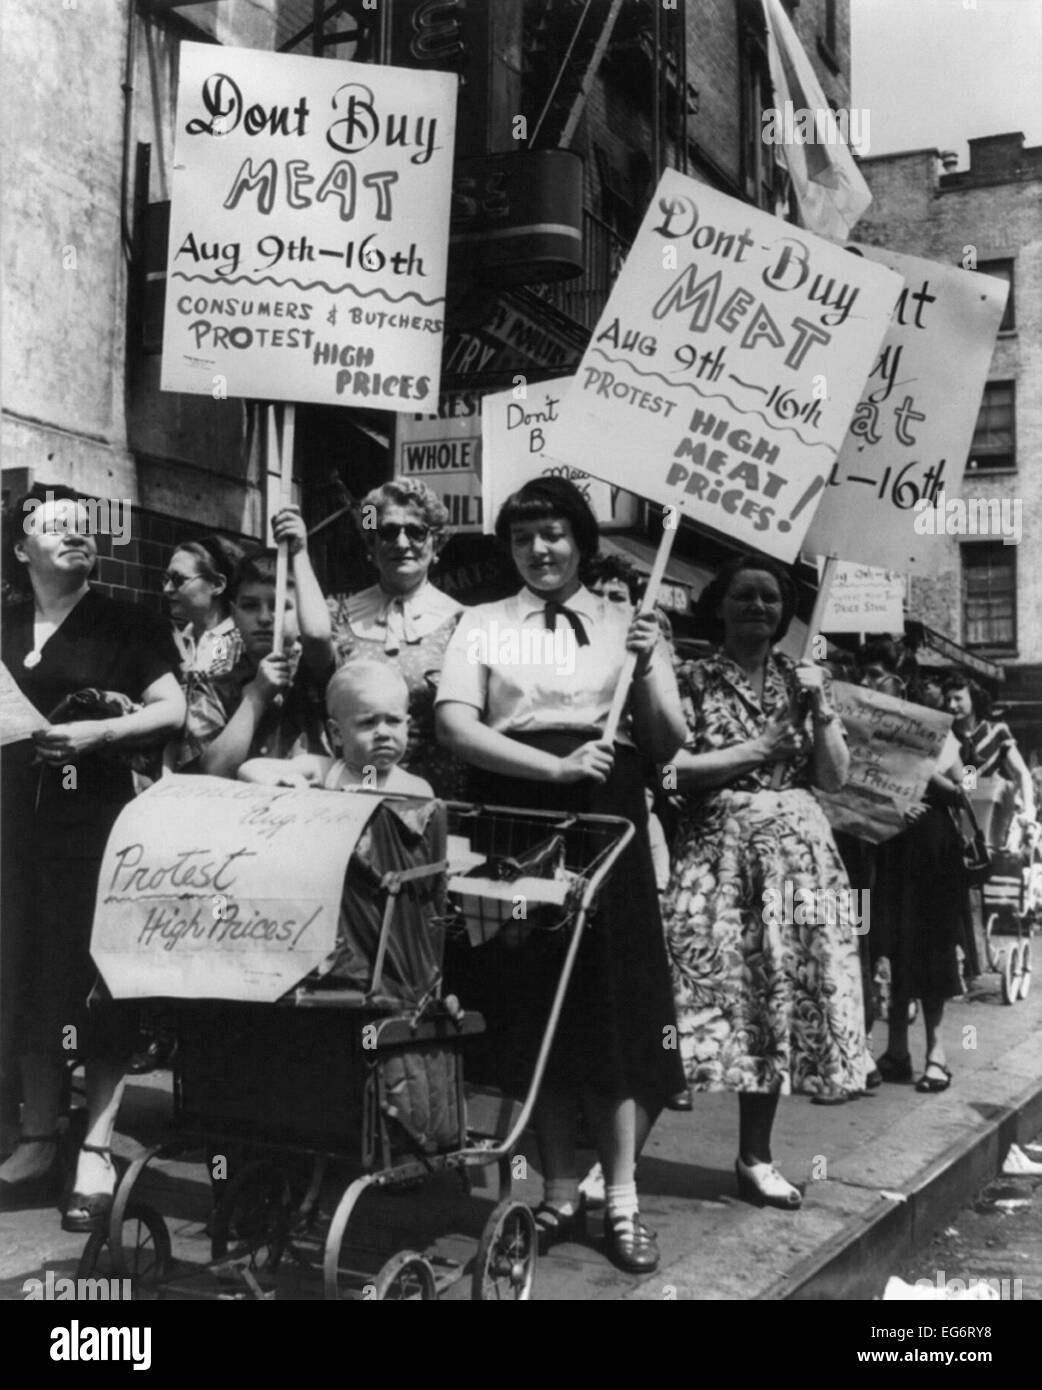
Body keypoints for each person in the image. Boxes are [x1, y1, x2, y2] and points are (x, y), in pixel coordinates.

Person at [436, 477, 687, 1274]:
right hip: (520, 815)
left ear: (581, 540)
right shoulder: (481, 624)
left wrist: (647, 667)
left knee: (613, 1003)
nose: (540, 550)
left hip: (609, 813)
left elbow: (668, 741)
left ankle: (621, 1200)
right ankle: (555, 1191)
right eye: (522, 538)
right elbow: (455, 727)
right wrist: (550, 772)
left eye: (554, 534)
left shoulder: (631, 623)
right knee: (533, 1005)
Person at [0, 487, 185, 1230]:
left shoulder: (125, 621)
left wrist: (96, 736)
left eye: (84, 527)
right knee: (23, 971)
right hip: (11, 823)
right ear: (21, 550)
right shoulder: (4, 620)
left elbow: (170, 711)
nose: (76, 535)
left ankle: (97, 1151)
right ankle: (41, 1135)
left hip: (96, 824)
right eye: (54, 527)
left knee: (95, 977)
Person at [661, 553, 863, 1209]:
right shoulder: (687, 676)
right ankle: (623, 1164)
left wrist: (822, 706)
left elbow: (834, 778)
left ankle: (756, 1156)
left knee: (772, 1004)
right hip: (716, 852)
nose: (759, 609)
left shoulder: (801, 681)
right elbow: (669, 773)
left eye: (771, 600)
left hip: (797, 864)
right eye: (744, 596)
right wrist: (755, 753)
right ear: (717, 604)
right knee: (689, 997)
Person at [327, 480, 465, 797]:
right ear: (371, 544)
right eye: (388, 532)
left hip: (436, 795)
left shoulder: (462, 622)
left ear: (436, 542)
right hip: (359, 793)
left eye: (416, 531)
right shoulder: (339, 616)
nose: (402, 542)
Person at [872, 673, 969, 1094]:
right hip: (893, 845)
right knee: (894, 945)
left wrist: (925, 768)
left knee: (932, 946)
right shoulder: (878, 733)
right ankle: (896, 1051)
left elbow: (965, 788)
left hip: (932, 851)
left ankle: (936, 1054)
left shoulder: (942, 737)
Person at [193, 509, 333, 778]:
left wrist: (300, 552)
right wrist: (256, 696)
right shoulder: (214, 686)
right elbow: (214, 770)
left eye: (281, 606)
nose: (266, 618)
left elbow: (317, 635)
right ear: (234, 613)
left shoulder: (316, 674)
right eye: (250, 606)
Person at [239, 661, 433, 797]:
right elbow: (250, 768)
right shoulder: (322, 770)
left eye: (393, 720)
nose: (382, 733)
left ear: (407, 725)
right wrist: (284, 784)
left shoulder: (416, 790)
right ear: (337, 734)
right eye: (368, 722)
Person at [161, 534, 245, 769]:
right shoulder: (177, 641)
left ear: (217, 585)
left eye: (178, 580)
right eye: (166, 579)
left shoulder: (235, 644)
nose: (167, 589)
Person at [945, 675, 1037, 833]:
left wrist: (1029, 809)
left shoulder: (996, 731)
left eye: (958, 699)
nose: (952, 705)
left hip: (995, 814)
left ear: (974, 699)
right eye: (948, 700)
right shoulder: (947, 736)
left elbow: (1022, 773)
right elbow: (967, 784)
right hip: (957, 817)